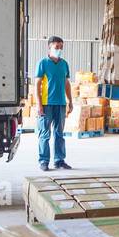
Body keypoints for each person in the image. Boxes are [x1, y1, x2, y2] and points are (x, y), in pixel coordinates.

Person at [32, 36, 73, 171]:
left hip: (60, 103)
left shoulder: (64, 64)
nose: (59, 50)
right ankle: (44, 161)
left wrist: (70, 101)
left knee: (59, 134)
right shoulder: (42, 63)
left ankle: (59, 160)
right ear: (49, 47)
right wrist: (39, 104)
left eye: (61, 47)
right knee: (45, 134)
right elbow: (37, 85)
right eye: (56, 47)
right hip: (46, 104)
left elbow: (67, 84)